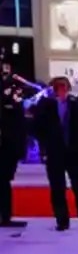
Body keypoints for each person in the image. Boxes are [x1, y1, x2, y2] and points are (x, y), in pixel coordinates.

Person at [33, 76, 78, 231]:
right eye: (58, 86)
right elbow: (39, 130)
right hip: (54, 153)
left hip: (75, 153)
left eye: (64, 86)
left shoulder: (76, 105)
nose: (61, 89)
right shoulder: (45, 106)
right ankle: (62, 221)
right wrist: (43, 150)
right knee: (57, 188)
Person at [0, 57, 29, 228]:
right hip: (7, 143)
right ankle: (5, 216)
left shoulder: (13, 90)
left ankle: (5, 215)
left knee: (4, 180)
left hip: (8, 144)